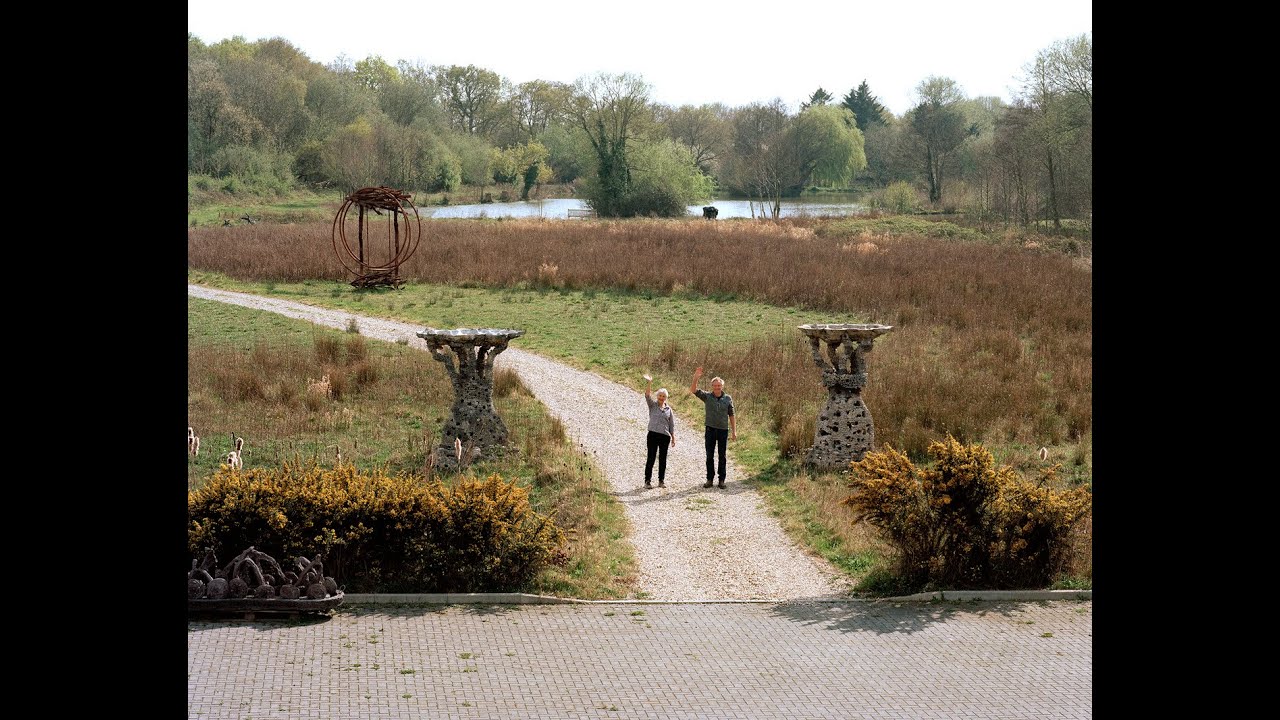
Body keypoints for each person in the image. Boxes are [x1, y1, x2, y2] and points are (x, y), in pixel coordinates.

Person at [689, 366, 736, 488]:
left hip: (723, 431)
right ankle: (710, 479)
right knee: (709, 455)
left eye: (719, 385)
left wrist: (734, 431)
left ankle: (721, 480)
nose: (717, 387)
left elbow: (731, 414)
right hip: (710, 429)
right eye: (715, 385)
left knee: (722, 455)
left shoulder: (728, 398)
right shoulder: (707, 396)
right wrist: (696, 377)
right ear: (712, 386)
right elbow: (693, 390)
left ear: (722, 386)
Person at [642, 374, 676, 488]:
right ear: (657, 396)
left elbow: (671, 424)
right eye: (660, 396)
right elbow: (647, 395)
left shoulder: (668, 409)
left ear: (666, 398)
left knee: (662, 459)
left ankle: (661, 480)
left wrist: (673, 437)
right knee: (651, 457)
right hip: (652, 434)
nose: (661, 398)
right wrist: (649, 383)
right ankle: (647, 481)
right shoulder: (652, 405)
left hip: (664, 436)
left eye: (663, 396)